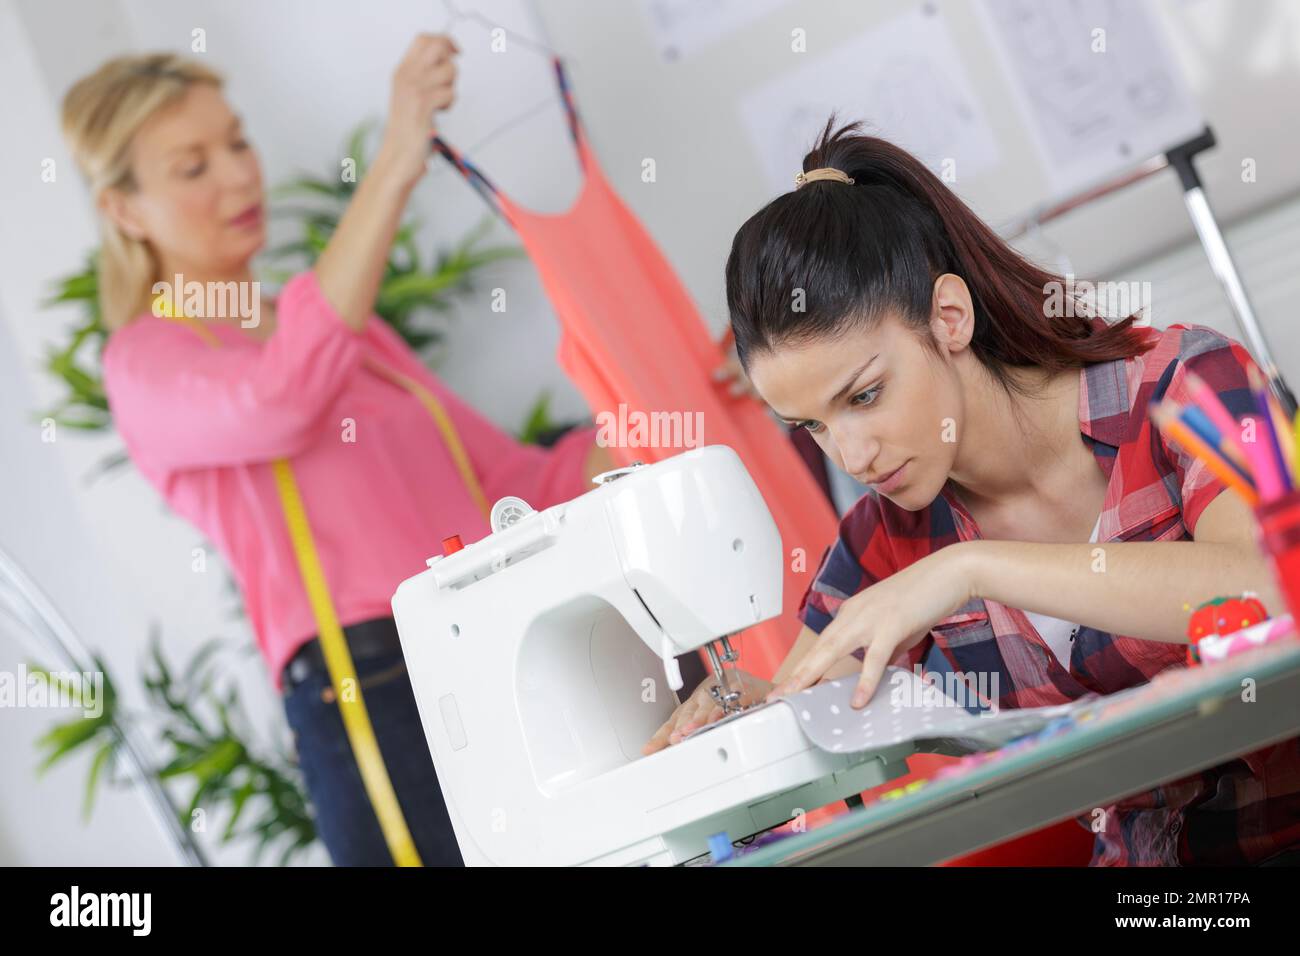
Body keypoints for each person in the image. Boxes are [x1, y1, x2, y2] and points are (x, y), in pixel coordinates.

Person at [649, 118, 1300, 867]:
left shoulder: (1192, 381)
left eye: (865, 395)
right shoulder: (882, 540)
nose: (852, 456)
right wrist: (735, 721)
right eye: (812, 427)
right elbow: (799, 709)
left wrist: (968, 567)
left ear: (948, 318)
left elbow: (1272, 586)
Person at [62, 34, 614, 865]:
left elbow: (509, 481)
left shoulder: (339, 325)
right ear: (125, 210)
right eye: (193, 166)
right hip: (378, 694)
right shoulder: (146, 361)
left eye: (238, 143)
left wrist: (668, 410)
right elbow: (280, 400)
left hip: (501, 644)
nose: (241, 175)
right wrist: (397, 156)